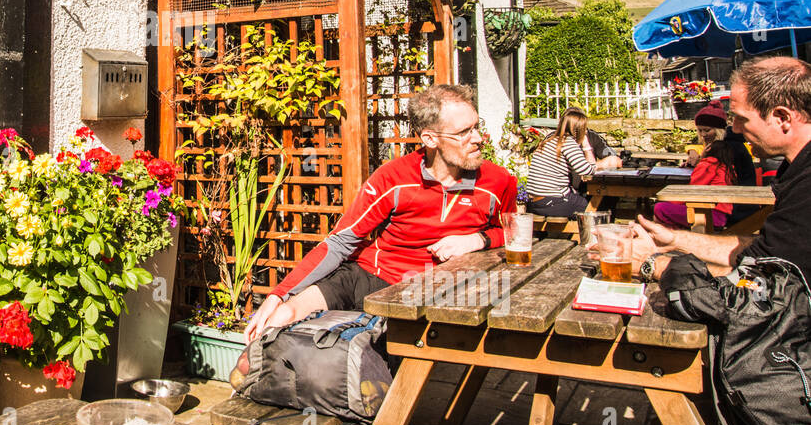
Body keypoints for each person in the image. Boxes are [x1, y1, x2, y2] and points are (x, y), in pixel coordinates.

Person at [244, 84, 517, 342]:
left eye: (476, 127)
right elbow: (341, 241)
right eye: (463, 132)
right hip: (372, 276)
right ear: (430, 139)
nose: (478, 138)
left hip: (434, 292)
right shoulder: (394, 177)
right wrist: (278, 295)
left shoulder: (498, 181)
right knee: (281, 317)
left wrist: (477, 240)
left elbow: (514, 233)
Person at [629, 56, 811, 283]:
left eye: (741, 118)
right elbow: (763, 252)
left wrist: (653, 264)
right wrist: (675, 240)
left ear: (782, 117)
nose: (733, 127)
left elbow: (767, 283)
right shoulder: (795, 167)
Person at [652, 103, 756, 230]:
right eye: (700, 130)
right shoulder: (722, 145)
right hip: (729, 204)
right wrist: (695, 154)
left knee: (662, 209)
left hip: (736, 206)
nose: (703, 135)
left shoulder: (727, 149)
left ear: (718, 130)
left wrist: (702, 161)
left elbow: (700, 182)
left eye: (707, 130)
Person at [524, 108, 603, 218]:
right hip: (552, 202)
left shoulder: (550, 141)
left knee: (581, 200)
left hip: (534, 203)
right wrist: (587, 147)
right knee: (596, 207)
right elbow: (587, 171)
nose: (586, 132)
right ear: (579, 130)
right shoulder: (567, 142)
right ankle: (595, 235)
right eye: (584, 129)